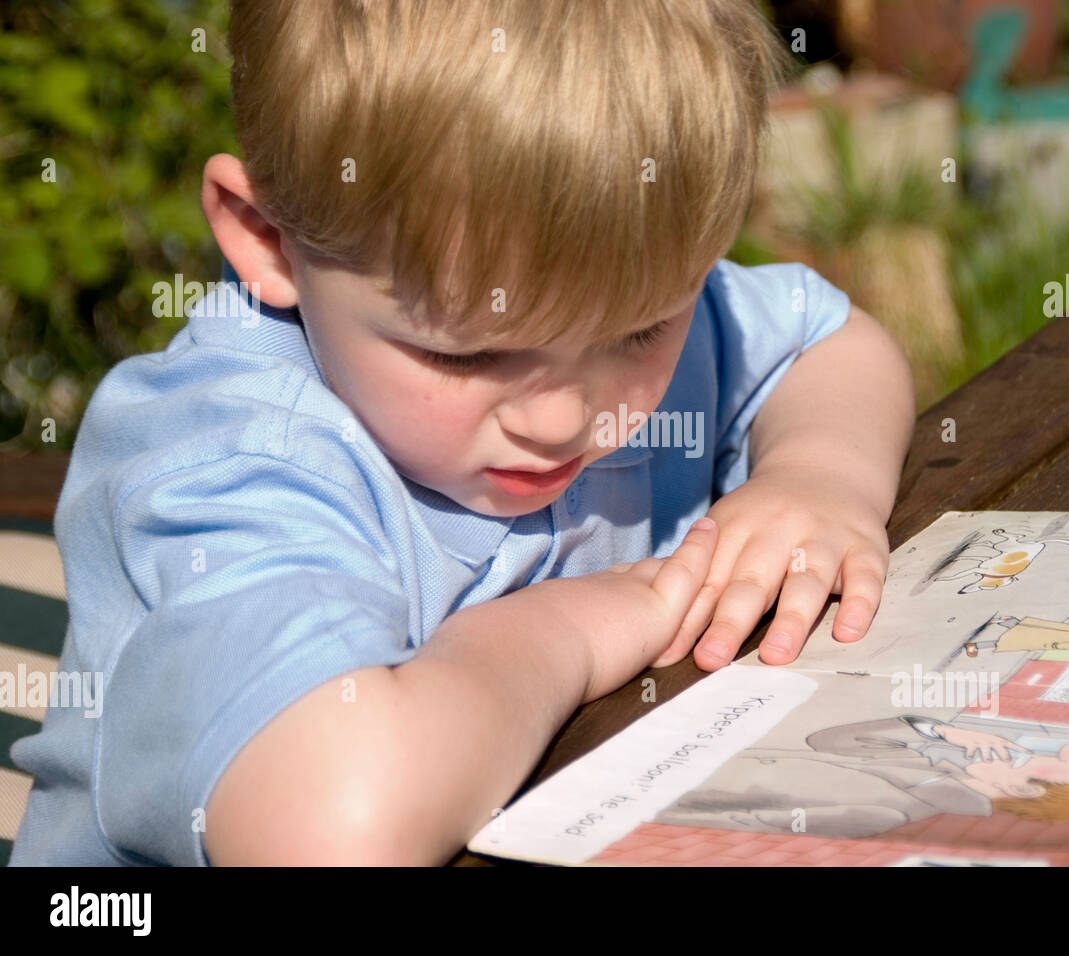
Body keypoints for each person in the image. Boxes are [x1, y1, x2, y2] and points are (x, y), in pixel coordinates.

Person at [8, 1, 915, 865]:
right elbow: (334, 834)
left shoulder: (576, 289)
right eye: (471, 356)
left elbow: (830, 343)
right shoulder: (243, 468)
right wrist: (565, 632)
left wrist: (819, 476)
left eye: (639, 330)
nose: (563, 417)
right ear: (270, 241)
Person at [655, 715, 1069, 837]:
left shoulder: (895, 811)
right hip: (677, 754)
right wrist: (935, 729)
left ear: (1025, 790)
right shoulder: (931, 768)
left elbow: (745, 823)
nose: (1067, 748)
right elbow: (829, 743)